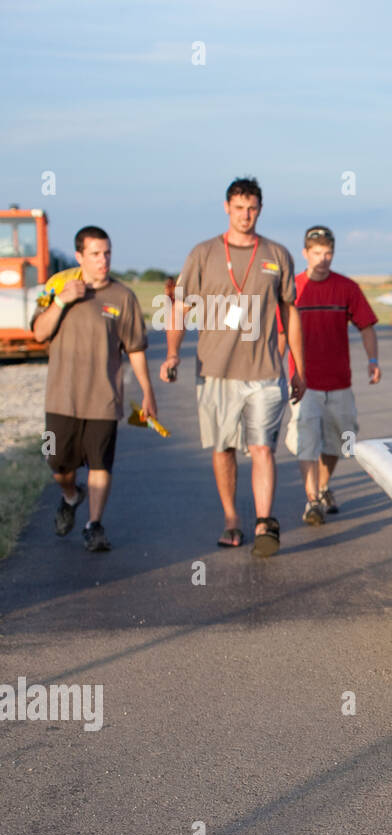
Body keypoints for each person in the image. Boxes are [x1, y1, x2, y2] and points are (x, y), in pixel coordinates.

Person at [161, 176, 305, 555]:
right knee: (223, 448)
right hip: (216, 372)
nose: (246, 215)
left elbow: (291, 314)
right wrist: (173, 353)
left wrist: (299, 368)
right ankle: (231, 520)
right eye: (239, 208)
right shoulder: (204, 253)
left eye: (253, 208)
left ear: (261, 209)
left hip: (265, 372)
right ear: (227, 208)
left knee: (262, 448)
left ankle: (263, 523)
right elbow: (180, 306)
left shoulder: (277, 254)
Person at [30, 226, 156, 551]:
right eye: (96, 254)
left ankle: (94, 525)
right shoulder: (57, 287)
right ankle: (71, 496)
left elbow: (136, 349)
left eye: (107, 253)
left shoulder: (123, 297)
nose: (104, 260)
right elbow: (40, 334)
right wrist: (61, 301)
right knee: (54, 458)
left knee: (101, 463)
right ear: (79, 257)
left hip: (103, 398)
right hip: (61, 397)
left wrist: (147, 391)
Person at [283, 225, 380, 525]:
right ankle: (312, 500)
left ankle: (323, 487)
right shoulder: (292, 288)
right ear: (305, 253)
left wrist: (373, 359)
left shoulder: (347, 288)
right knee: (306, 440)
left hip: (339, 381)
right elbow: (277, 333)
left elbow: (366, 326)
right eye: (316, 253)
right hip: (304, 383)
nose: (323, 259)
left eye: (328, 253)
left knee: (338, 443)